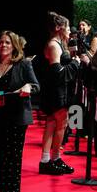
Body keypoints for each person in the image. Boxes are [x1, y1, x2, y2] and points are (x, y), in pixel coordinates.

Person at [0, 31, 39, 192]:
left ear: (14, 45)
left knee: (12, 157)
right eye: (0, 43)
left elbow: (36, 86)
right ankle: (1, 188)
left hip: (16, 116)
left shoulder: (23, 64)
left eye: (7, 42)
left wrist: (28, 87)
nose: (3, 45)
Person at [33, 12, 79, 174]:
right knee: (60, 124)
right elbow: (58, 74)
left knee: (53, 123)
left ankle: (49, 160)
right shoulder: (53, 45)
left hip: (58, 91)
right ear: (59, 28)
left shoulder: (58, 43)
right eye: (66, 27)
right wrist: (75, 63)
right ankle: (53, 159)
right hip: (56, 92)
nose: (69, 30)